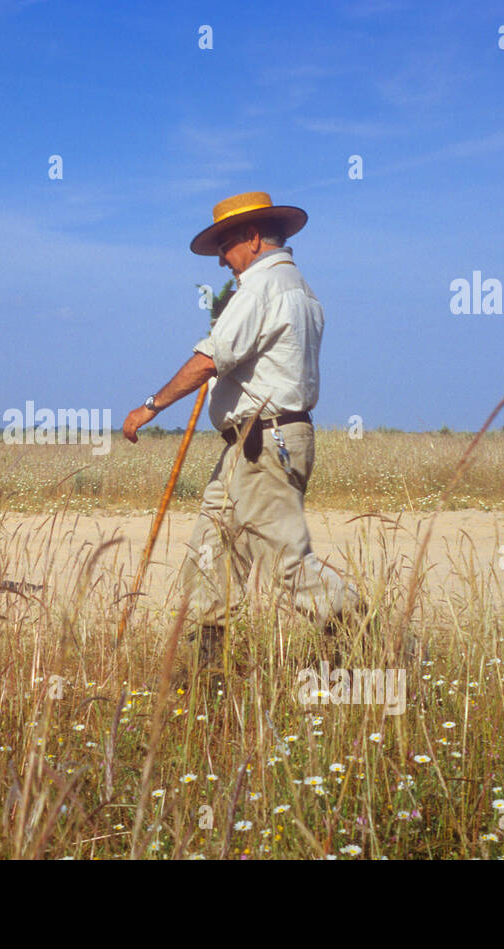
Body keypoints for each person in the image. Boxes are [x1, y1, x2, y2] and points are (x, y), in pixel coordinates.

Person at [121, 191, 361, 683]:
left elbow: (211, 358)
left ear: (251, 239)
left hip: (267, 443)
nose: (221, 261)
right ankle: (210, 670)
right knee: (209, 550)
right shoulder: (297, 289)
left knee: (284, 564)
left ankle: (370, 637)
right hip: (247, 445)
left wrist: (151, 406)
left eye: (224, 247)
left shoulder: (260, 288)